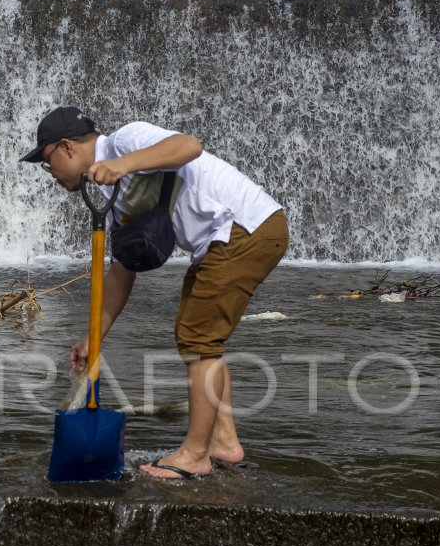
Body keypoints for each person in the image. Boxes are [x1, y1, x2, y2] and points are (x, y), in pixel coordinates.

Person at [21, 107, 288, 480]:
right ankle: (223, 442)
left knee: (198, 337)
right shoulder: (109, 192)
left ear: (66, 147)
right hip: (219, 241)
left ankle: (195, 455)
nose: (49, 173)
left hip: (245, 227)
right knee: (200, 335)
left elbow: (188, 146)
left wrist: (124, 164)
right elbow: (122, 271)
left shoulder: (125, 141)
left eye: (47, 161)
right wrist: (93, 338)